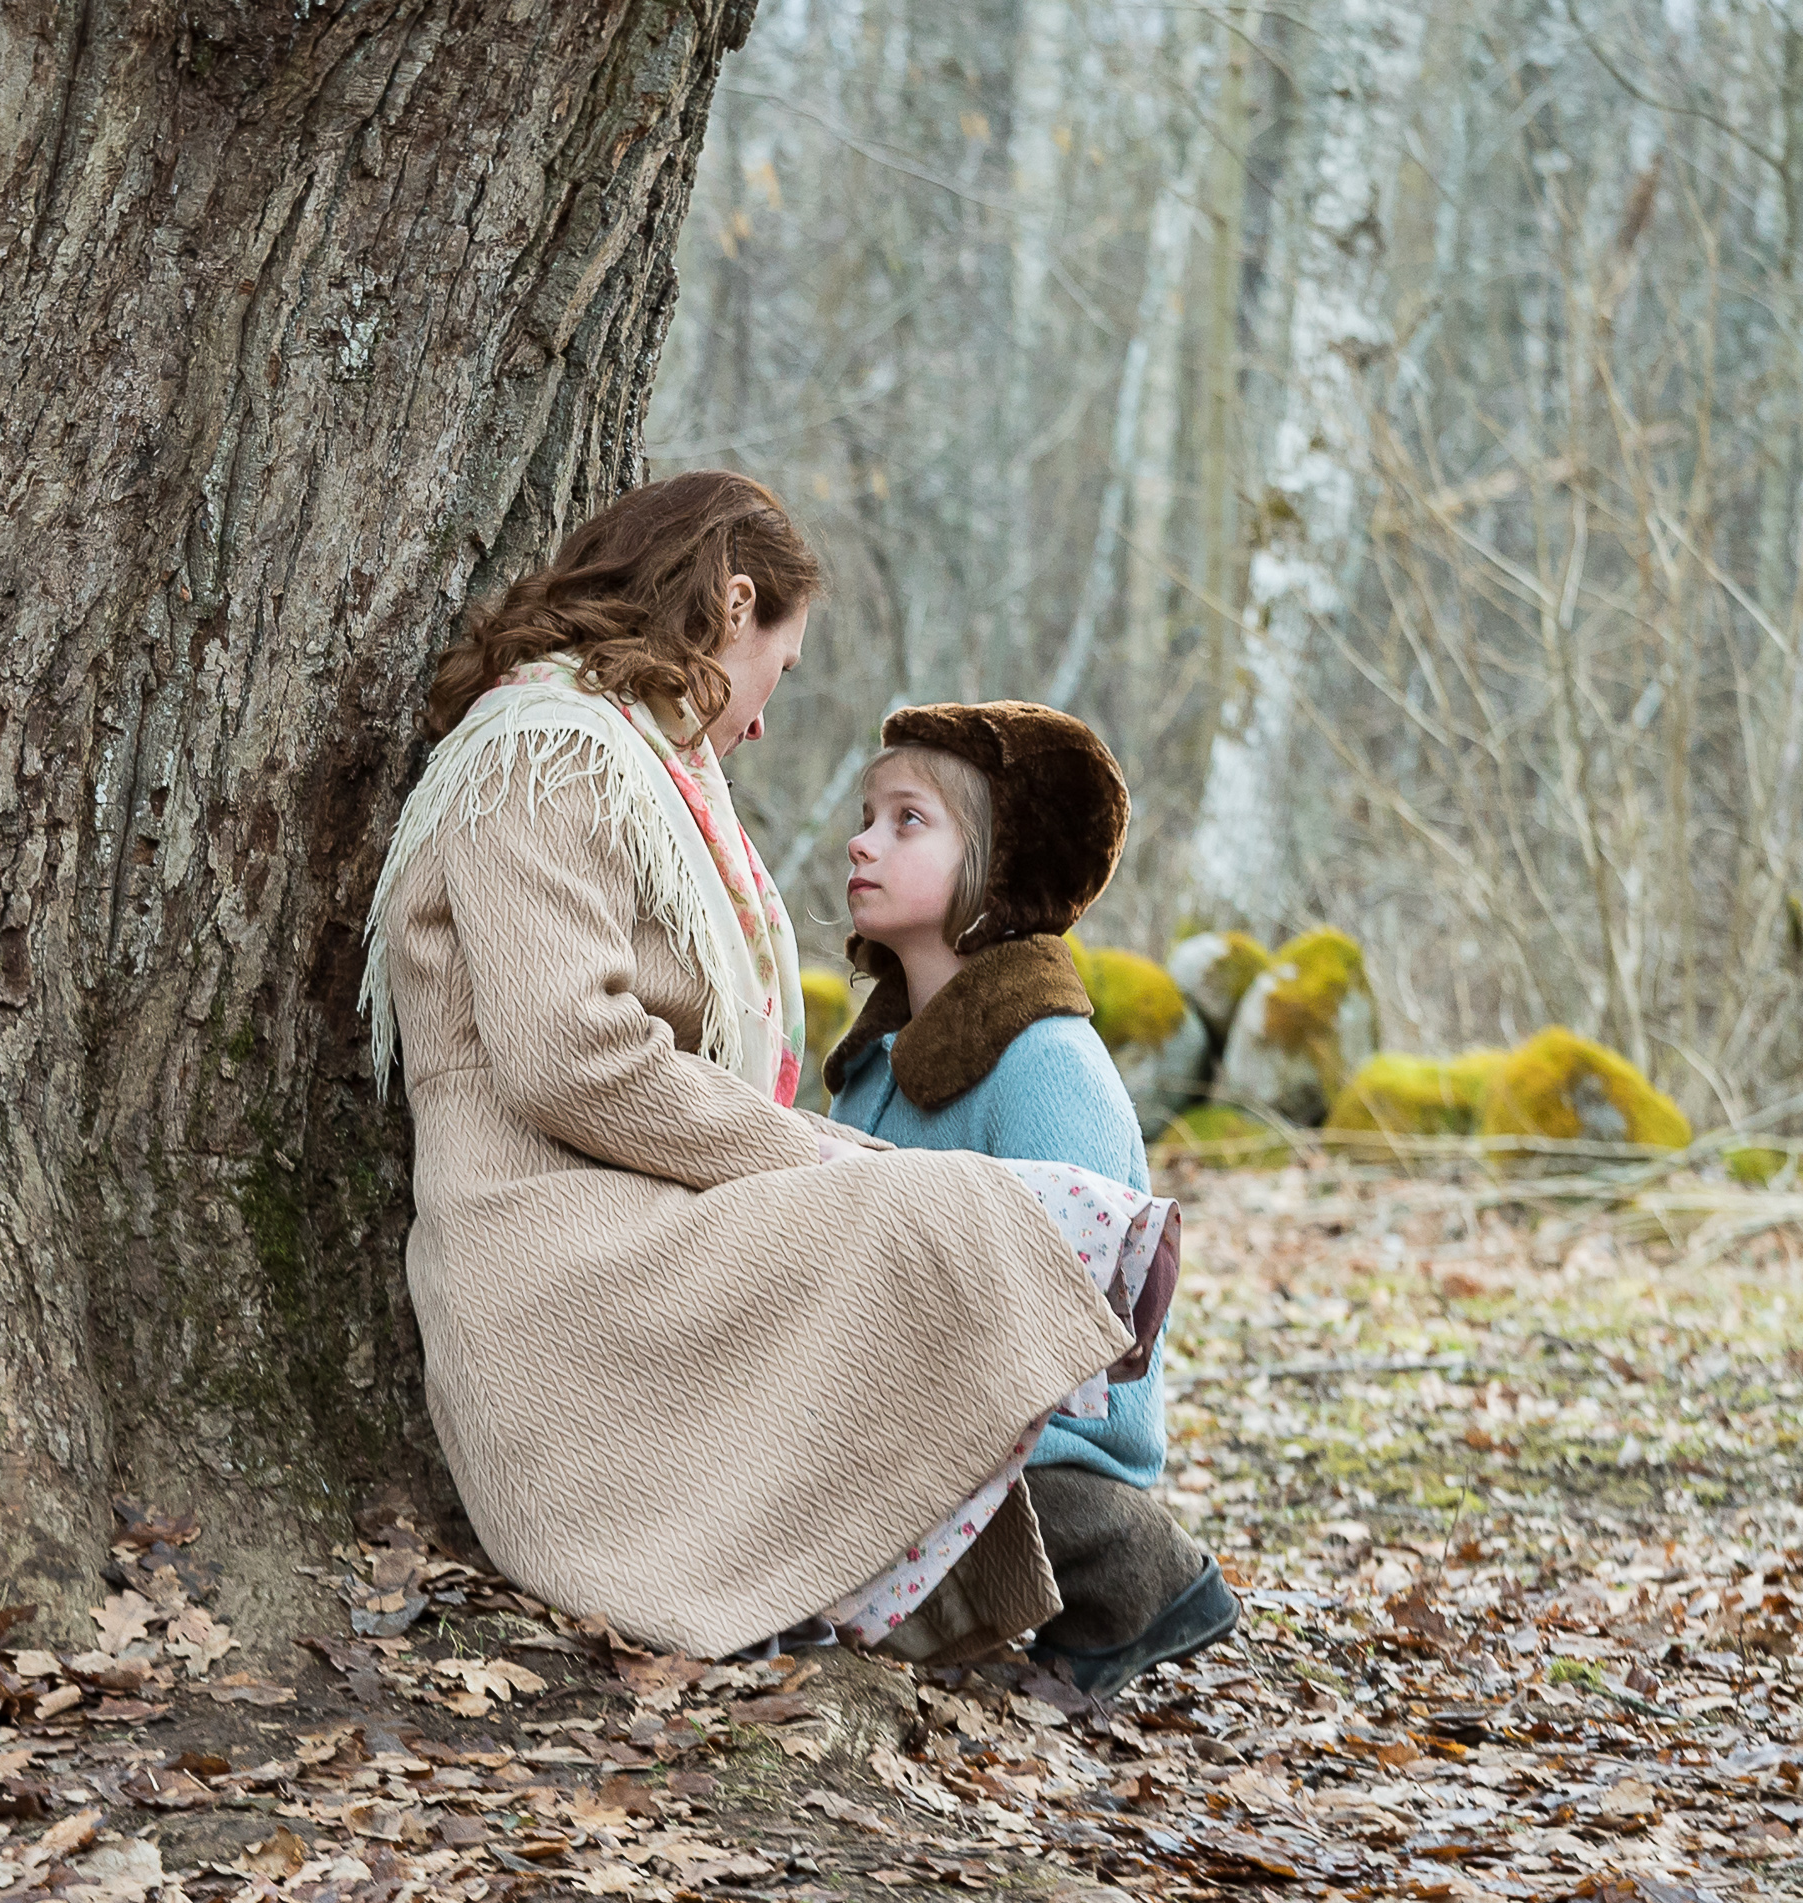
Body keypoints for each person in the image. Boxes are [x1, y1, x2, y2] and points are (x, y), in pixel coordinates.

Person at [359, 471, 1173, 1665]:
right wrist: (820, 1158)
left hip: (621, 1226)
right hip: (553, 1265)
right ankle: (1122, 1574)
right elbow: (569, 1062)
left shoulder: (623, 763)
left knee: (946, 1207)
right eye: (777, 673)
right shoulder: (544, 755)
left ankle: (1110, 1562)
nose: (763, 718)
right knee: (923, 1211)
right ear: (732, 607)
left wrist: (832, 1160)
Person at [823, 706, 1238, 1697]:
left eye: (907, 821)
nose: (862, 839)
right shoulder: (871, 1067)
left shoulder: (1046, 1061)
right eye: (868, 814)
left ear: (996, 864)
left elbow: (1080, 1318)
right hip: (913, 1416)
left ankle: (1136, 1574)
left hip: (1051, 1449)